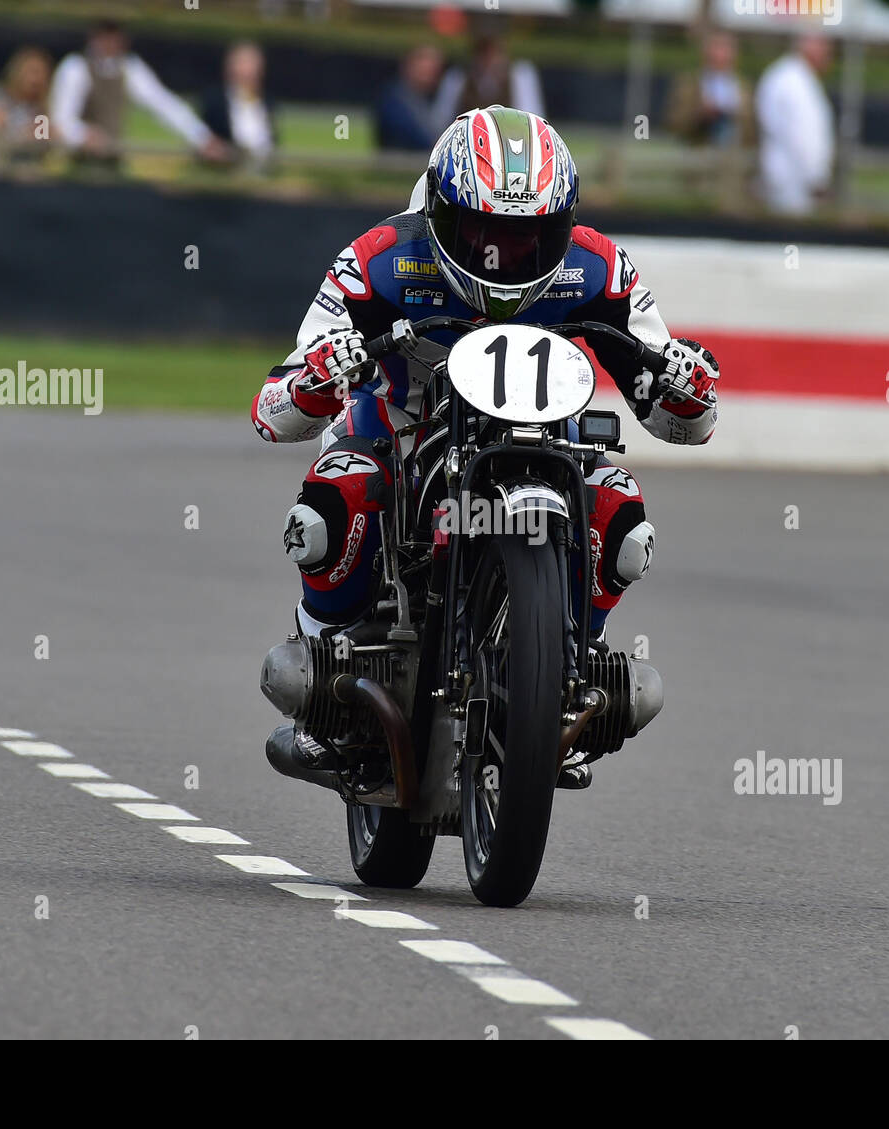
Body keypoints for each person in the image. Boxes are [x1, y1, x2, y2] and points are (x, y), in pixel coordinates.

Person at [250, 107, 720, 785]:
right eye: (484, 233)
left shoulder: (600, 266)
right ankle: (323, 671)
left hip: (546, 435)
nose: (503, 255)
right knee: (334, 497)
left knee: (621, 513)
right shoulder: (379, 258)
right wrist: (323, 373)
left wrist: (682, 382)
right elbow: (275, 409)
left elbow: (686, 419)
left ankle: (569, 673)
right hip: (403, 423)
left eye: (528, 238)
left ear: (562, 226)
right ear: (442, 215)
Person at [50, 19, 227, 167]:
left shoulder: (130, 68)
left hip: (112, 162)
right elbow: (60, 119)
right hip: (76, 164)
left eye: (115, 35)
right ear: (94, 37)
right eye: (105, 35)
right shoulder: (74, 67)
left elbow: (163, 103)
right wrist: (82, 135)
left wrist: (202, 137)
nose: (110, 42)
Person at [754, 34, 835, 215]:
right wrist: (816, 178)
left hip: (784, 173)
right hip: (793, 179)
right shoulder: (795, 82)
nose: (829, 58)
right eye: (826, 51)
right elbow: (804, 134)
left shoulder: (787, 75)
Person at [433, 32, 544, 125]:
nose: (490, 59)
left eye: (495, 52)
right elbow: (441, 120)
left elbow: (533, 119)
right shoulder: (458, 77)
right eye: (484, 52)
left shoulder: (520, 75)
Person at [200, 41, 275, 167]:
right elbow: (204, 139)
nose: (248, 70)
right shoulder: (216, 100)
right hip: (226, 169)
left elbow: (272, 140)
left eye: (252, 64)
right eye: (243, 63)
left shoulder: (267, 101)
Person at [667, 31, 744, 147]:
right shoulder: (688, 85)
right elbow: (673, 123)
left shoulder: (743, 88)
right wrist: (699, 115)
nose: (720, 54)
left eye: (726, 48)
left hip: (732, 159)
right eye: (716, 47)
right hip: (698, 155)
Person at [0, 46, 53, 163]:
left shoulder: (44, 104)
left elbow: (46, 136)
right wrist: (25, 134)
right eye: (33, 72)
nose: (36, 79)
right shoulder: (0, 99)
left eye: (41, 73)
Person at [375, 43, 443, 153]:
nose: (427, 77)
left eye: (432, 72)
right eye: (423, 71)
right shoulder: (394, 99)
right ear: (408, 67)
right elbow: (411, 135)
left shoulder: (435, 98)